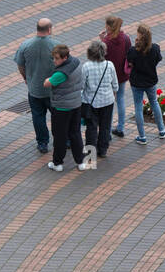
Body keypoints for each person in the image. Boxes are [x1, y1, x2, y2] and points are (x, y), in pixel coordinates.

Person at [42, 44, 89, 172]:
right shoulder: (77, 63)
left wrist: (48, 78)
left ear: (65, 57)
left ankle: (57, 163)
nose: (54, 61)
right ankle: (81, 162)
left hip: (61, 108)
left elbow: (47, 83)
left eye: (57, 58)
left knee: (60, 136)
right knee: (75, 133)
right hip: (76, 105)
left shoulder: (61, 73)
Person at [14, 19, 56, 153]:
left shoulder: (25, 45)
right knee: (57, 116)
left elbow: (20, 64)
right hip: (53, 90)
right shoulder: (56, 45)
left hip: (34, 89)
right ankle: (62, 140)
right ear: (49, 29)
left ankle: (42, 143)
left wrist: (26, 77)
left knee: (38, 117)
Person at [121, 24, 164, 145]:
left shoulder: (133, 51)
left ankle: (142, 136)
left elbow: (129, 63)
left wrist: (135, 46)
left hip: (137, 83)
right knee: (154, 102)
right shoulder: (155, 48)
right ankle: (161, 130)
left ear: (139, 36)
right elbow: (158, 59)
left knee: (138, 107)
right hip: (151, 81)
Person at [80, 40, 118, 166]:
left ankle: (91, 154)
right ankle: (103, 150)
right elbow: (115, 85)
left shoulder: (86, 66)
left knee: (91, 127)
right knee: (105, 126)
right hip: (107, 101)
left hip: (91, 103)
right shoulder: (110, 65)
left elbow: (81, 86)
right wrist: (113, 95)